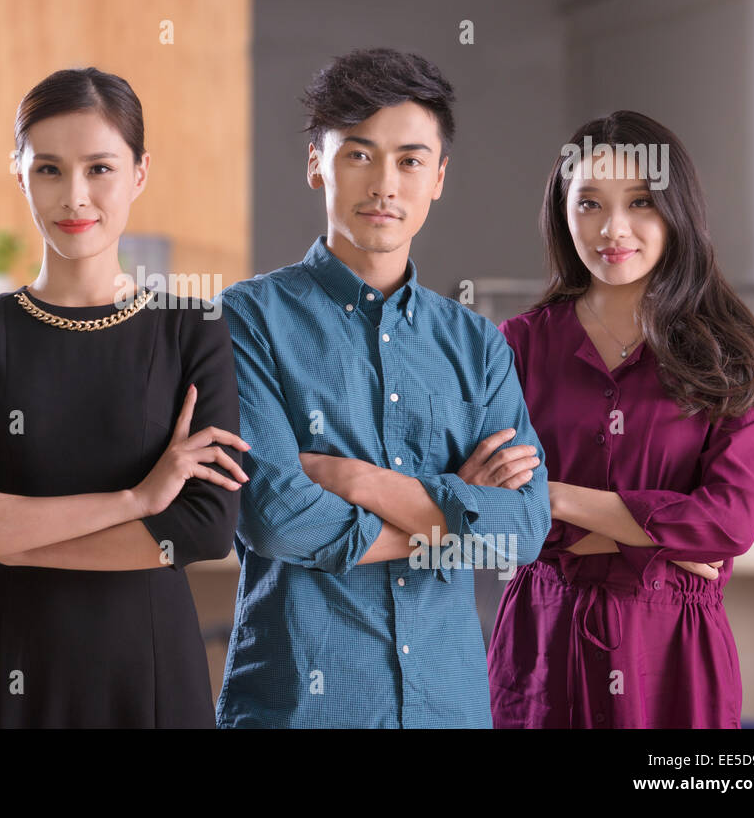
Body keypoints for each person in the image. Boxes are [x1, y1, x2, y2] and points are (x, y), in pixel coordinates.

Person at [214, 47, 551, 728]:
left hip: (449, 707)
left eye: (410, 159)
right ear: (317, 162)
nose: (386, 184)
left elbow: (522, 532)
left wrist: (354, 480)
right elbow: (278, 517)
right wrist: (457, 509)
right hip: (300, 706)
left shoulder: (478, 345)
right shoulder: (247, 319)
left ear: (439, 176)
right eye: (359, 154)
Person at [0, 66, 247, 728]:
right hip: (12, 657)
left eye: (100, 168)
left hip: (148, 665)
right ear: (20, 171)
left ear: (139, 173)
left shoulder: (192, 330)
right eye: (50, 169)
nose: (75, 197)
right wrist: (135, 502)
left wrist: (3, 532)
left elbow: (204, 527)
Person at [486, 110, 754, 728]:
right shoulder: (514, 348)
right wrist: (664, 540)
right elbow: (496, 514)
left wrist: (559, 498)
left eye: (641, 202)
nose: (612, 229)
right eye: (590, 203)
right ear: (561, 213)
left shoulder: (734, 357)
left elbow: (727, 525)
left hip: (675, 652)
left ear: (677, 211)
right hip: (542, 643)